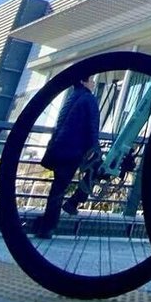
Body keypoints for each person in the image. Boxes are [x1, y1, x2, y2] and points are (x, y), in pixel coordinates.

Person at [27, 73, 100, 240]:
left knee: (57, 189)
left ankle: (47, 226)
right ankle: (74, 202)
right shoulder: (89, 99)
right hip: (75, 149)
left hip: (59, 148)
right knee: (98, 169)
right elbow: (93, 127)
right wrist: (96, 150)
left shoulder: (72, 97)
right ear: (83, 80)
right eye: (91, 80)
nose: (94, 83)